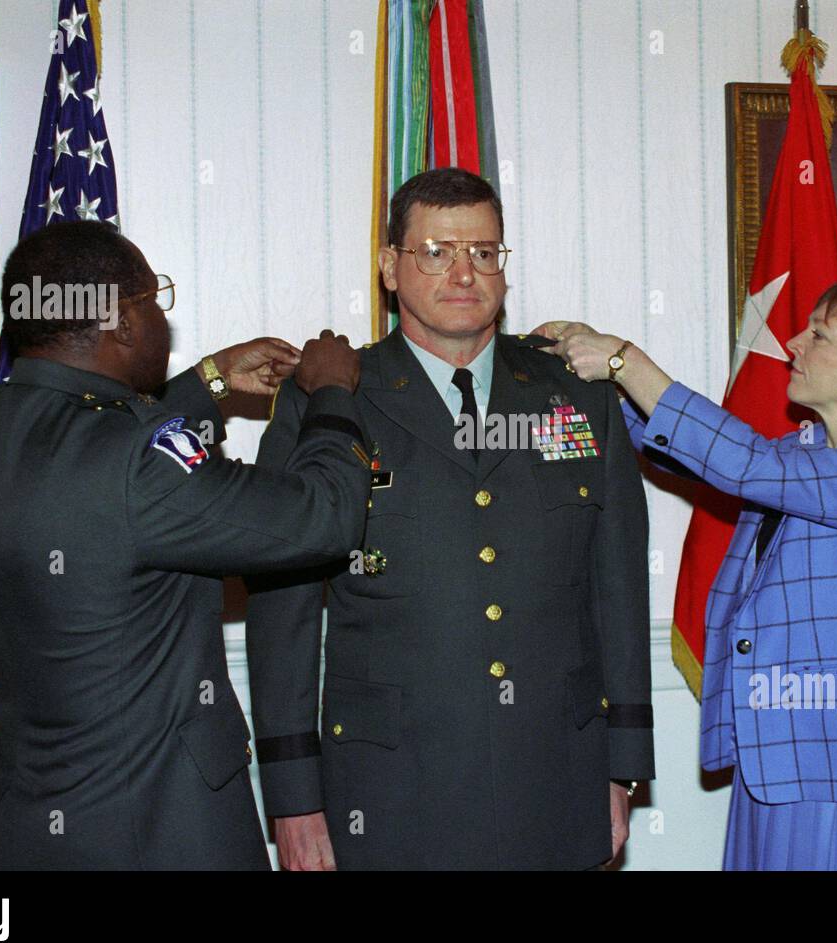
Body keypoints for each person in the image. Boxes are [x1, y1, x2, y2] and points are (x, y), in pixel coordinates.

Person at [245, 168, 654, 870]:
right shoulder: (332, 399)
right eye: (437, 251)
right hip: (390, 787)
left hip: (554, 778)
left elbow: (615, 584)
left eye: (485, 252)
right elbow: (282, 611)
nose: (464, 272)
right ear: (389, 268)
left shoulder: (577, 397)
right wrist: (293, 796)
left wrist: (621, 766)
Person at [0, 221, 371, 870]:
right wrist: (334, 392)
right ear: (122, 323)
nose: (160, 318)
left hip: (20, 824)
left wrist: (212, 381)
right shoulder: (136, 462)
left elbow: (91, 462)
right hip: (154, 830)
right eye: (153, 300)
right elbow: (322, 517)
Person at [537, 276, 837, 870]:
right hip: (774, 759)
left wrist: (625, 361)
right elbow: (694, 453)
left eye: (818, 334)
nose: (791, 342)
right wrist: (577, 377)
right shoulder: (805, 453)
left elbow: (742, 463)